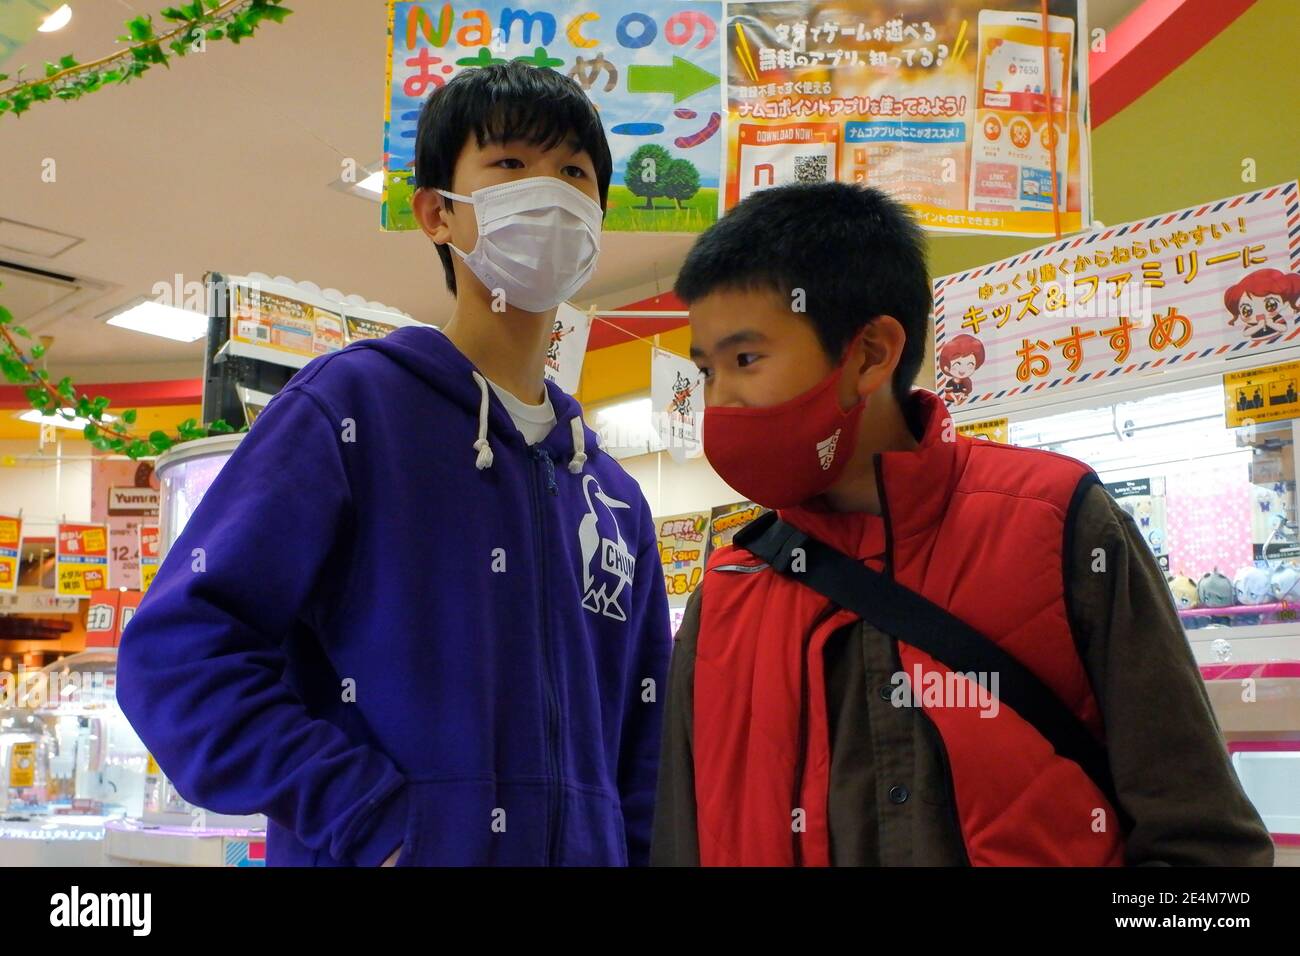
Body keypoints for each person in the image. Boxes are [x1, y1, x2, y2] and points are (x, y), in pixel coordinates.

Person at [117, 63, 671, 867]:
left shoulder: (613, 497)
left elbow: (645, 744)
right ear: (438, 213)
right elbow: (179, 651)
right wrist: (370, 818)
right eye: (512, 165)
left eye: (575, 173)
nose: (550, 192)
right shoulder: (352, 411)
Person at [651, 181, 1273, 866]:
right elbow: (684, 841)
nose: (720, 401)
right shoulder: (728, 594)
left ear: (870, 353)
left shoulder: (1059, 526)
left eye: (745, 360)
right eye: (706, 371)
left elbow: (1204, 843)